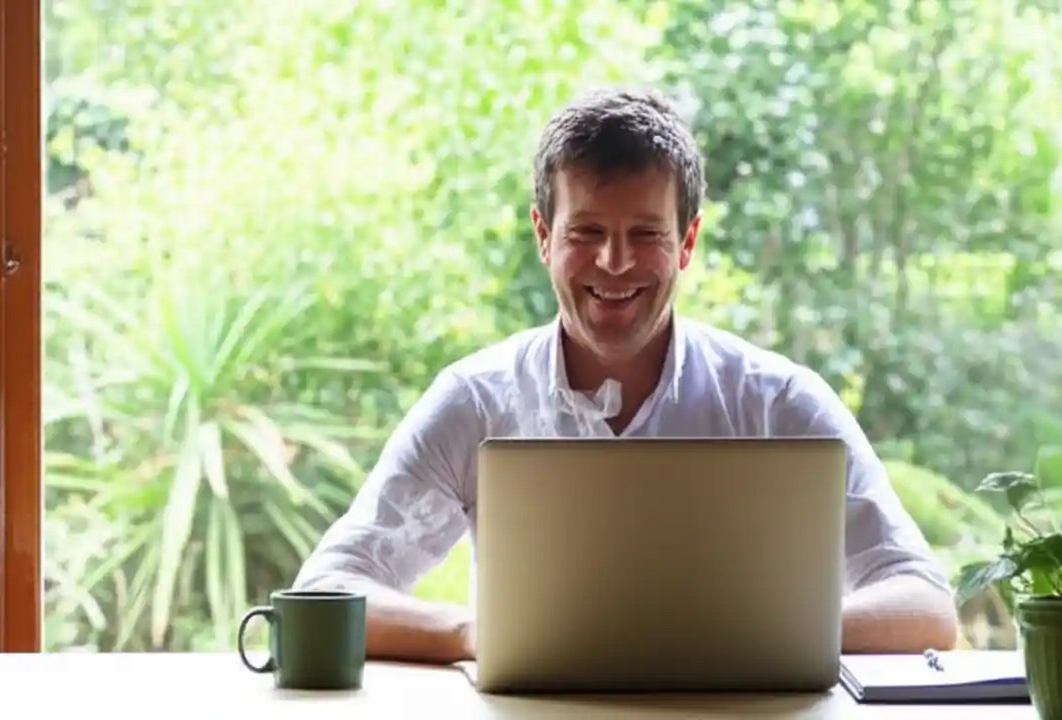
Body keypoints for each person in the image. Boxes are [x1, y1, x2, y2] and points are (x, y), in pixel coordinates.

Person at [294, 86, 959, 664]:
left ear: (688, 243)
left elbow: (925, 604)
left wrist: (765, 639)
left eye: (645, 234)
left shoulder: (778, 402)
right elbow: (326, 588)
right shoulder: (475, 401)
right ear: (543, 237)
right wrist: (480, 634)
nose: (614, 263)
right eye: (586, 232)